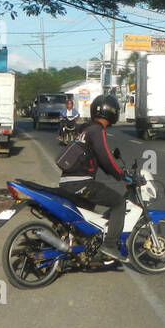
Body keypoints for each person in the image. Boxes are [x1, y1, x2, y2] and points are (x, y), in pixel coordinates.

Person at [57, 93, 131, 264]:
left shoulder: (86, 129)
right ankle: (110, 245)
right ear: (111, 112)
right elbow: (105, 157)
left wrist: (117, 173)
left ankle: (81, 249)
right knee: (119, 203)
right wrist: (121, 175)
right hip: (80, 183)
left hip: (68, 181)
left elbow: (98, 158)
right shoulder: (97, 130)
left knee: (89, 213)